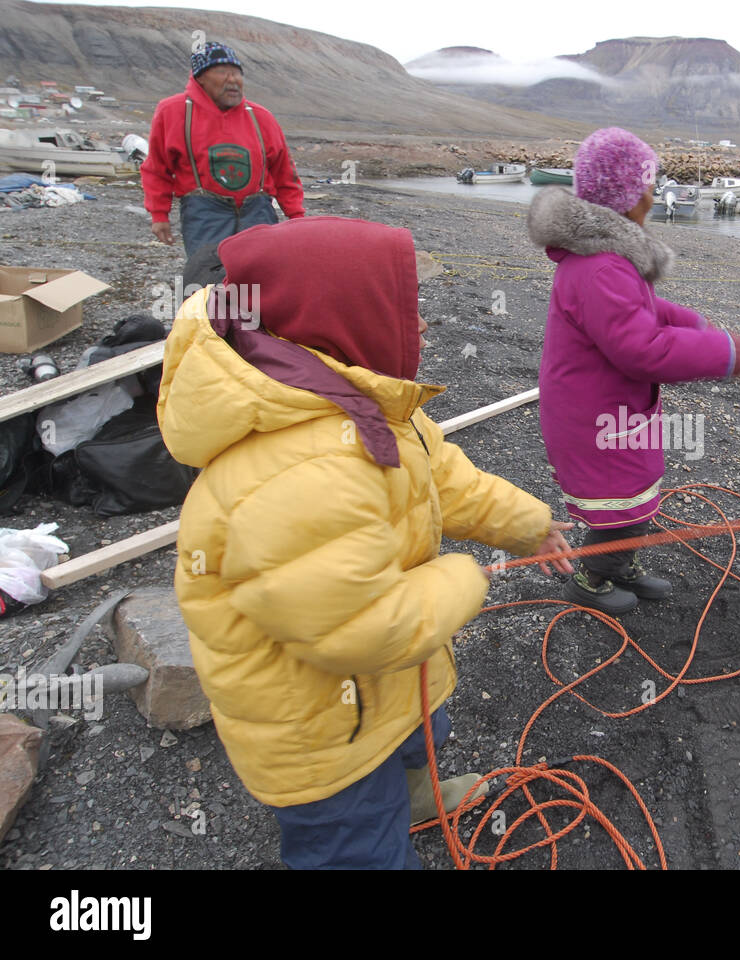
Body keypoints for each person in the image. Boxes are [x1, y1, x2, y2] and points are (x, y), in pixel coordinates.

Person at [156, 216, 573, 869]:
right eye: (406, 313)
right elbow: (362, 629)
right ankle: (373, 825)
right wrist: (468, 577)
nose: (425, 329)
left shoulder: (355, 401)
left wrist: (526, 525)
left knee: (416, 733)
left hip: (380, 688)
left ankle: (409, 794)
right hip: (322, 733)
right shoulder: (302, 467)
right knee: (352, 845)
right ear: (344, 322)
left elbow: (445, 479)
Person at [527, 127, 740, 616]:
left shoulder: (608, 259)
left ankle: (620, 567)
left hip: (615, 407)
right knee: (614, 503)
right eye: (649, 182)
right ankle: (591, 576)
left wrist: (689, 321)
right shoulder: (602, 267)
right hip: (594, 417)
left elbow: (643, 308)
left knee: (634, 493)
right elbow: (640, 348)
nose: (654, 191)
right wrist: (722, 353)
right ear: (627, 195)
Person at [141, 41, 305, 256]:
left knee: (261, 280)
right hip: (204, 216)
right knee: (210, 280)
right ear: (199, 78)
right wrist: (159, 215)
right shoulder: (173, 112)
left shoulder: (260, 117)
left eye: (237, 72)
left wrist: (297, 217)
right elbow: (157, 168)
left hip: (258, 213)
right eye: (222, 72)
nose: (232, 80)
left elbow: (284, 171)